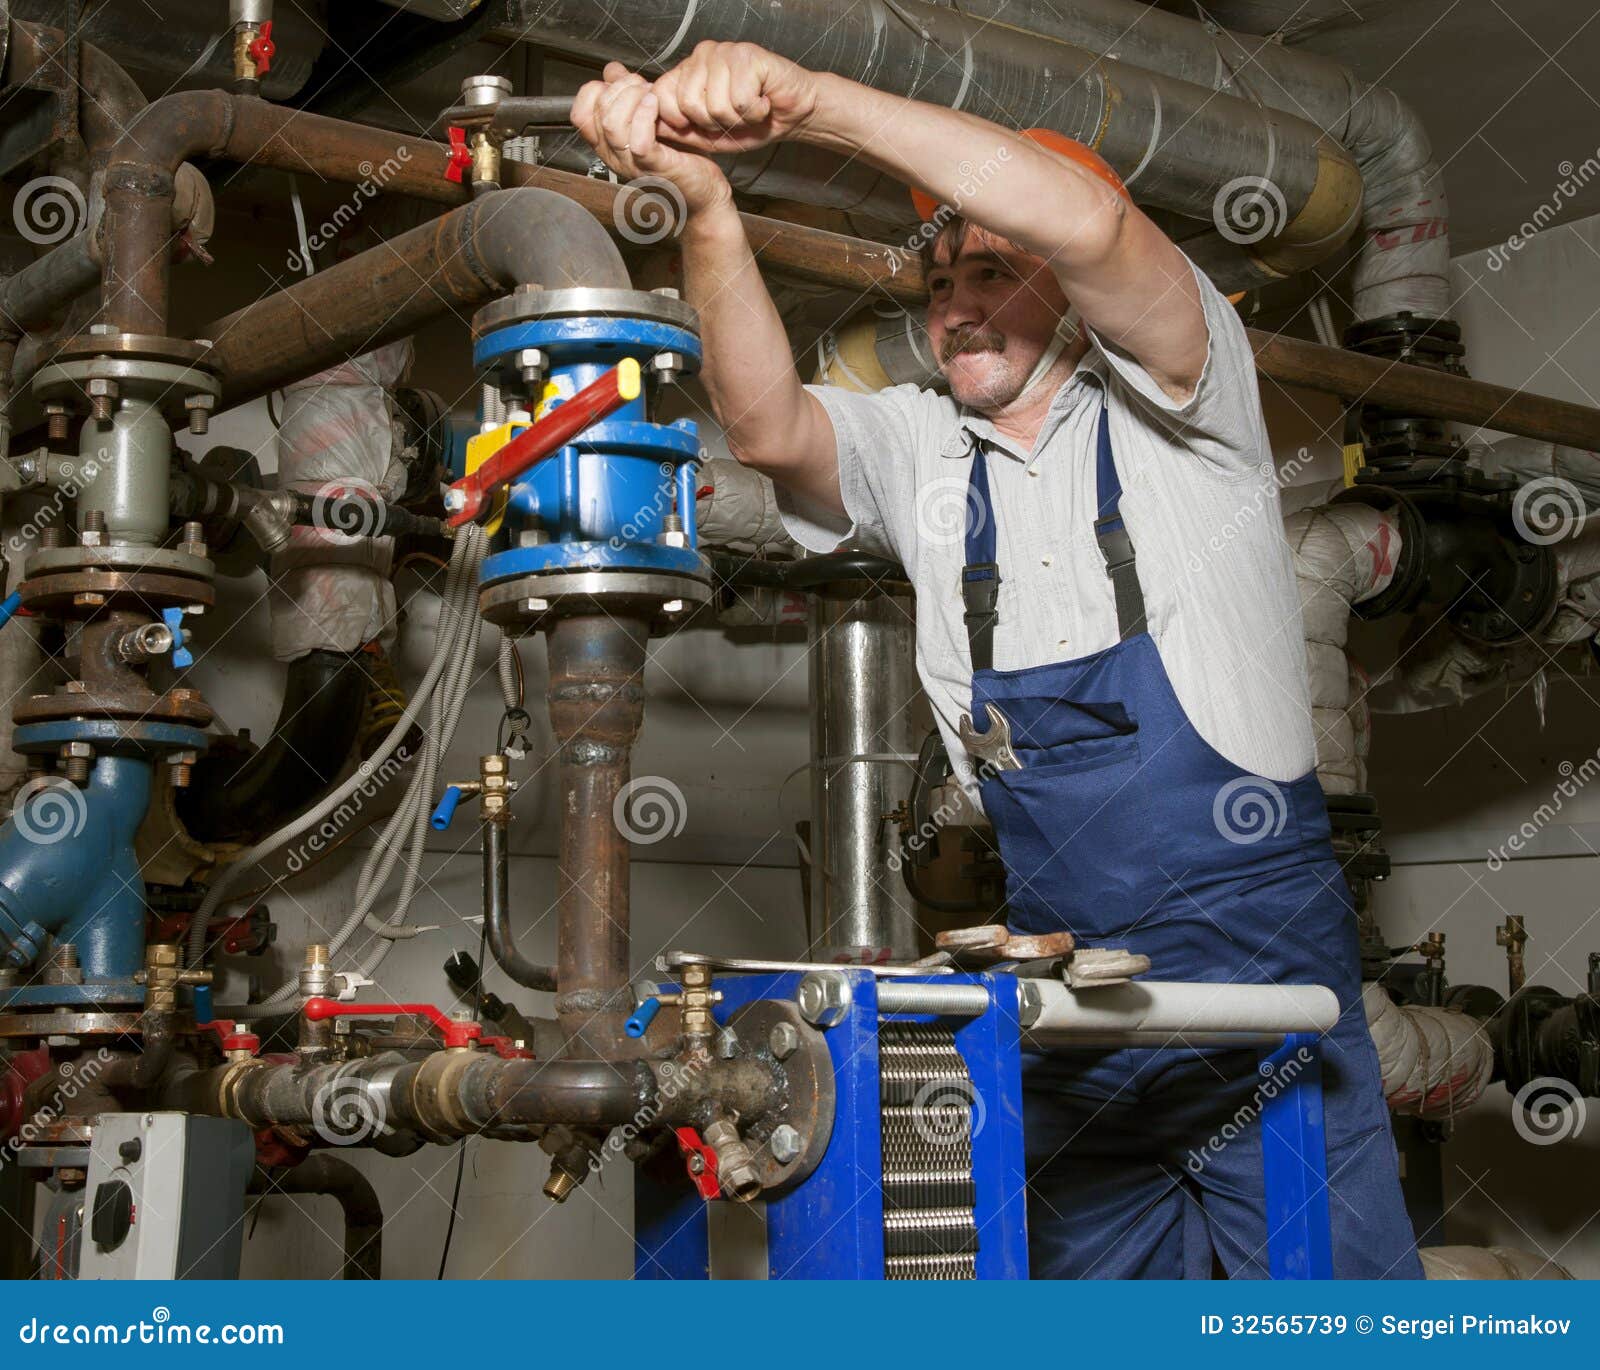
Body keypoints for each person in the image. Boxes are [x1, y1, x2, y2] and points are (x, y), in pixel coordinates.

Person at [573, 40, 1422, 1280]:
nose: (957, 304)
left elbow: (1085, 217)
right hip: (1066, 991)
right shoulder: (925, 445)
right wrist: (707, 207)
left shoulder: (1187, 397)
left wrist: (809, 102)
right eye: (939, 281)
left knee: (1329, 1318)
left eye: (992, 272)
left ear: (1072, 299)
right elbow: (764, 422)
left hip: (1260, 985)